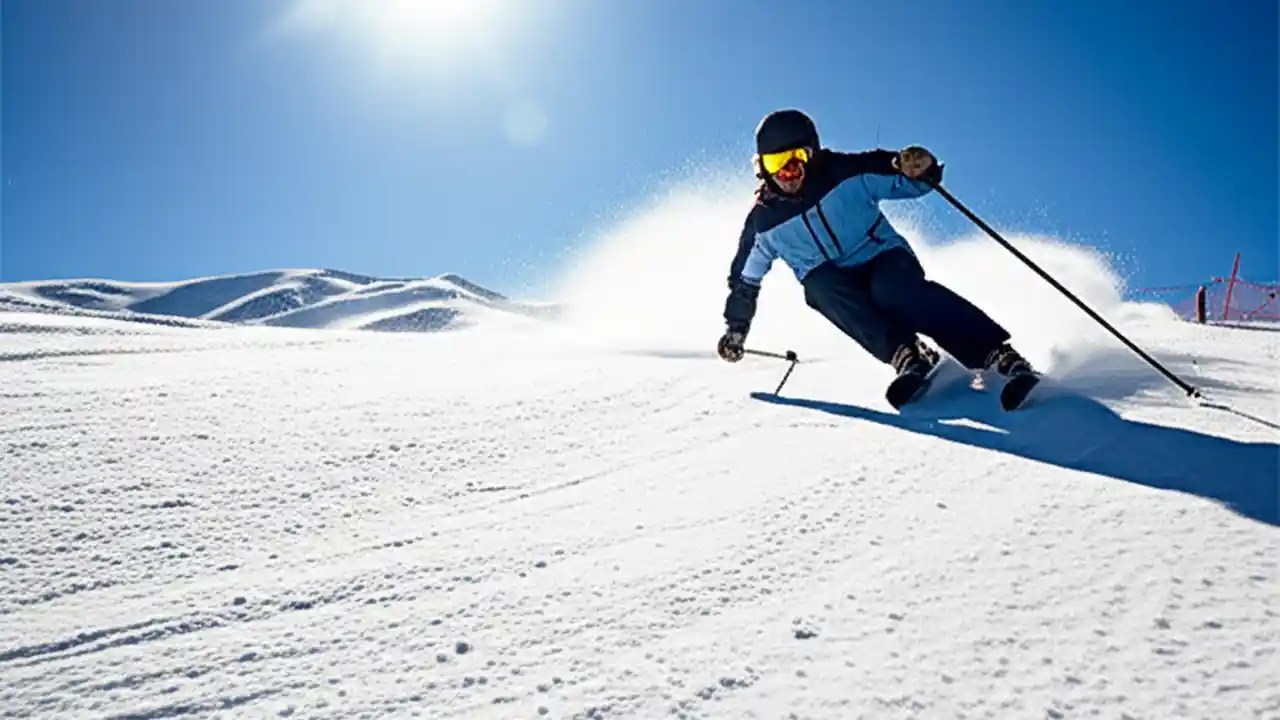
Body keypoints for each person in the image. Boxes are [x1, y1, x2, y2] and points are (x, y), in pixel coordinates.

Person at [718, 108, 1036, 407]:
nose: (788, 172)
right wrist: (737, 327)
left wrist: (916, 167)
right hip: (837, 282)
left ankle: (996, 354)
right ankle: (907, 354)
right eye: (777, 163)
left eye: (797, 159)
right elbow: (746, 280)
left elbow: (892, 171)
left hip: (883, 257)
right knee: (818, 287)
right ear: (761, 166)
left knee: (892, 290)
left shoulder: (841, 174)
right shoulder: (764, 222)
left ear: (812, 154)